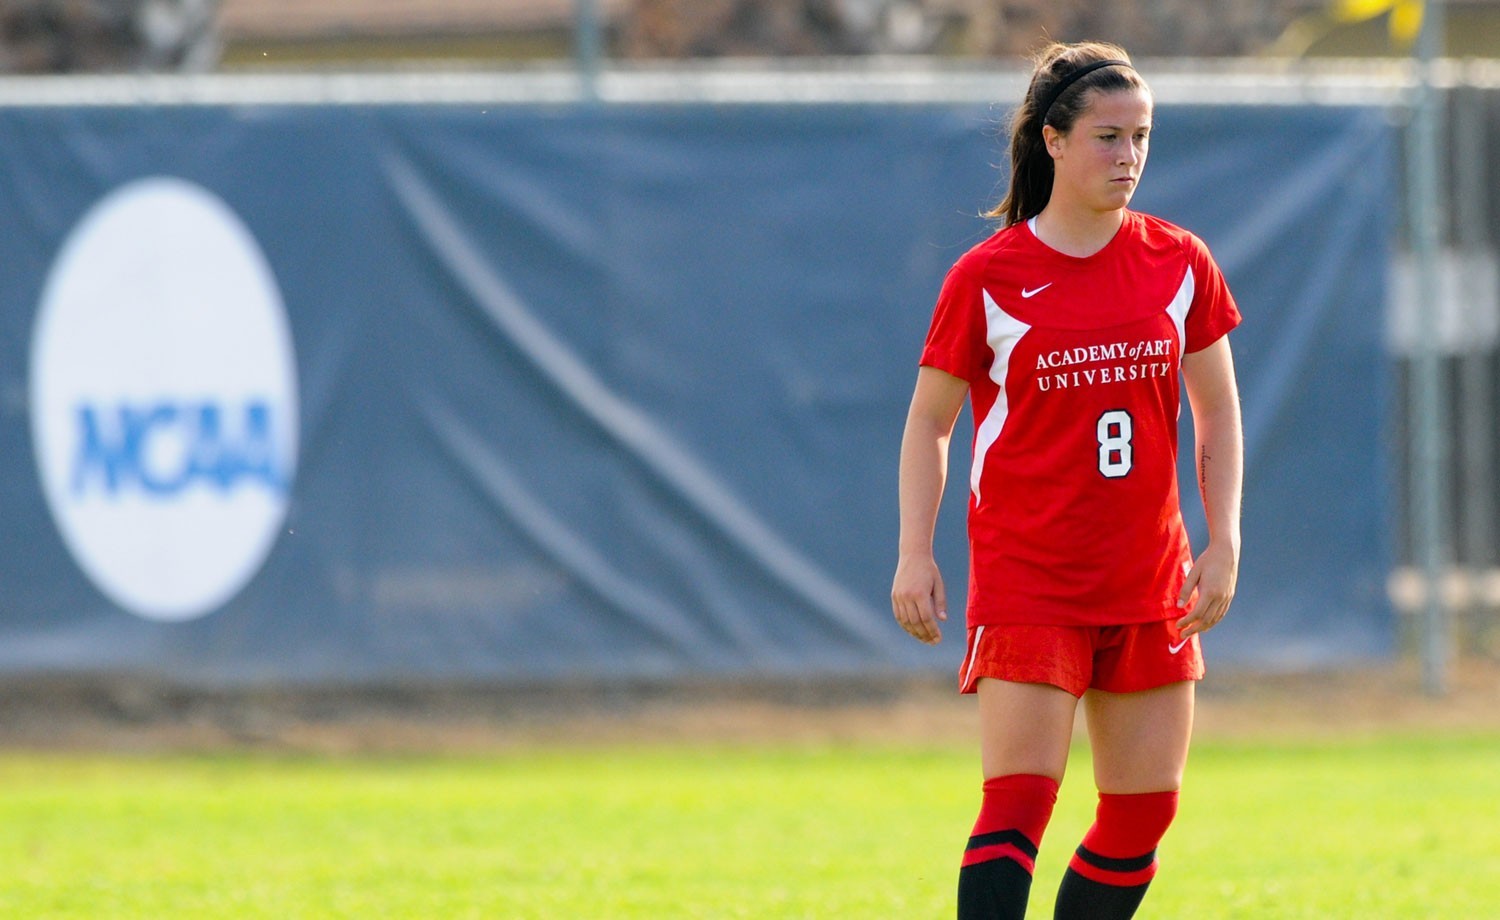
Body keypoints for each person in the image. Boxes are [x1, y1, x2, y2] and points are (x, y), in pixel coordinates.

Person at [891, 40, 1244, 920]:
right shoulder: (989, 277)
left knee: (1141, 814)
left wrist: (1225, 537)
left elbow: (1219, 413)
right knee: (1018, 807)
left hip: (1149, 577)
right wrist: (914, 554)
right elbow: (930, 422)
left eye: (1142, 138)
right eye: (1107, 136)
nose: (1128, 157)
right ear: (1052, 140)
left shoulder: (1178, 261)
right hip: (1031, 577)